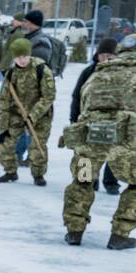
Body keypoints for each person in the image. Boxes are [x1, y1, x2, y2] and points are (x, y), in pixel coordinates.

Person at [62, 33, 136, 248]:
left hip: (91, 141)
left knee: (83, 181)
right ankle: (120, 235)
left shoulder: (99, 71)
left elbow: (83, 100)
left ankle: (74, 231)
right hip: (127, 144)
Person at [68, 36, 122, 198]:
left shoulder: (122, 73)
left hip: (115, 120)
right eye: (103, 54)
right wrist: (74, 117)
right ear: (97, 55)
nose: (106, 58)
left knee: (113, 152)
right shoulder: (89, 72)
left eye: (110, 55)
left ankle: (111, 182)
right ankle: (89, 181)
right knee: (88, 152)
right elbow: (77, 96)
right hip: (89, 120)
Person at [0, 36, 53, 185]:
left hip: (40, 115)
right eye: (18, 57)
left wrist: (33, 116)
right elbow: (4, 100)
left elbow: (48, 96)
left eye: (25, 56)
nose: (22, 60)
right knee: (5, 143)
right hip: (17, 114)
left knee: (36, 146)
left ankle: (38, 174)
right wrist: (2, 127)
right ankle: (10, 171)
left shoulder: (42, 69)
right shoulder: (11, 74)